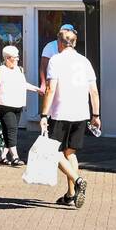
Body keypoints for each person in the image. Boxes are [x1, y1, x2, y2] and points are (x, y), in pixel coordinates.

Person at [39, 28, 100, 209]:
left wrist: (43, 114)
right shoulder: (85, 62)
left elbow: (50, 89)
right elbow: (94, 92)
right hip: (81, 114)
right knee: (70, 153)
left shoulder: (56, 61)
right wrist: (95, 115)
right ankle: (71, 194)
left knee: (52, 153)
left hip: (60, 113)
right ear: (74, 42)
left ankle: (78, 180)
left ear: (59, 42)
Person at [0, 45, 41, 165]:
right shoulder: (0, 70)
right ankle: (15, 157)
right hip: (5, 106)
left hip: (18, 105)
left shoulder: (19, 69)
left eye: (18, 57)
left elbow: (23, 84)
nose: (18, 59)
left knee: (10, 131)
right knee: (12, 130)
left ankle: (2, 157)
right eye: (15, 57)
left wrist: (37, 89)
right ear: (7, 58)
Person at [38, 22, 76, 92]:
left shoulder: (74, 49)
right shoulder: (50, 46)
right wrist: (43, 83)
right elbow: (43, 66)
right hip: (53, 83)